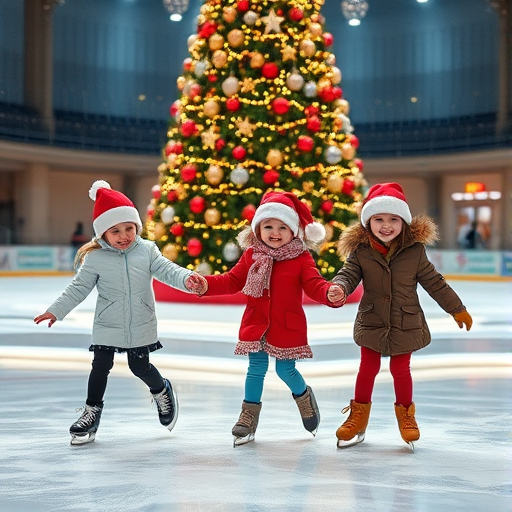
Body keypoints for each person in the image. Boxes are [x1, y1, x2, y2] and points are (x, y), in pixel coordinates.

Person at [34, 180, 205, 445]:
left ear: (137, 226)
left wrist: (188, 280)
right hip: (107, 323)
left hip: (140, 321)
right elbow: (78, 288)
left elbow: (169, 270)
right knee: (100, 366)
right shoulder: (95, 257)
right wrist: (55, 311)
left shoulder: (147, 250)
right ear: (103, 233)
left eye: (129, 228)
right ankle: (91, 412)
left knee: (140, 366)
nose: (124, 235)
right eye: (115, 231)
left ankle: (162, 391)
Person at [187, 191, 345, 446]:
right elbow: (232, 280)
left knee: (286, 370)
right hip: (256, 324)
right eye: (268, 225)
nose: (275, 232)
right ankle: (248, 416)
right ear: (257, 228)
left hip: (286, 325)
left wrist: (330, 293)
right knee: (256, 368)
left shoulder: (301, 257)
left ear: (294, 231)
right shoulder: (252, 255)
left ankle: (304, 397)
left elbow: (315, 284)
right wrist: (206, 284)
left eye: (282, 227)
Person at [329, 182, 473, 451]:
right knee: (367, 368)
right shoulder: (360, 251)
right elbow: (348, 275)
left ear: (403, 222)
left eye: (393, 219)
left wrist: (456, 308)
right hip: (372, 320)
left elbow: (434, 282)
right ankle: (358, 417)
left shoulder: (415, 251)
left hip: (405, 321)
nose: (386, 225)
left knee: (400, 369)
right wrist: (339, 287)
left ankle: (407, 416)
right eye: (379, 219)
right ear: (368, 222)